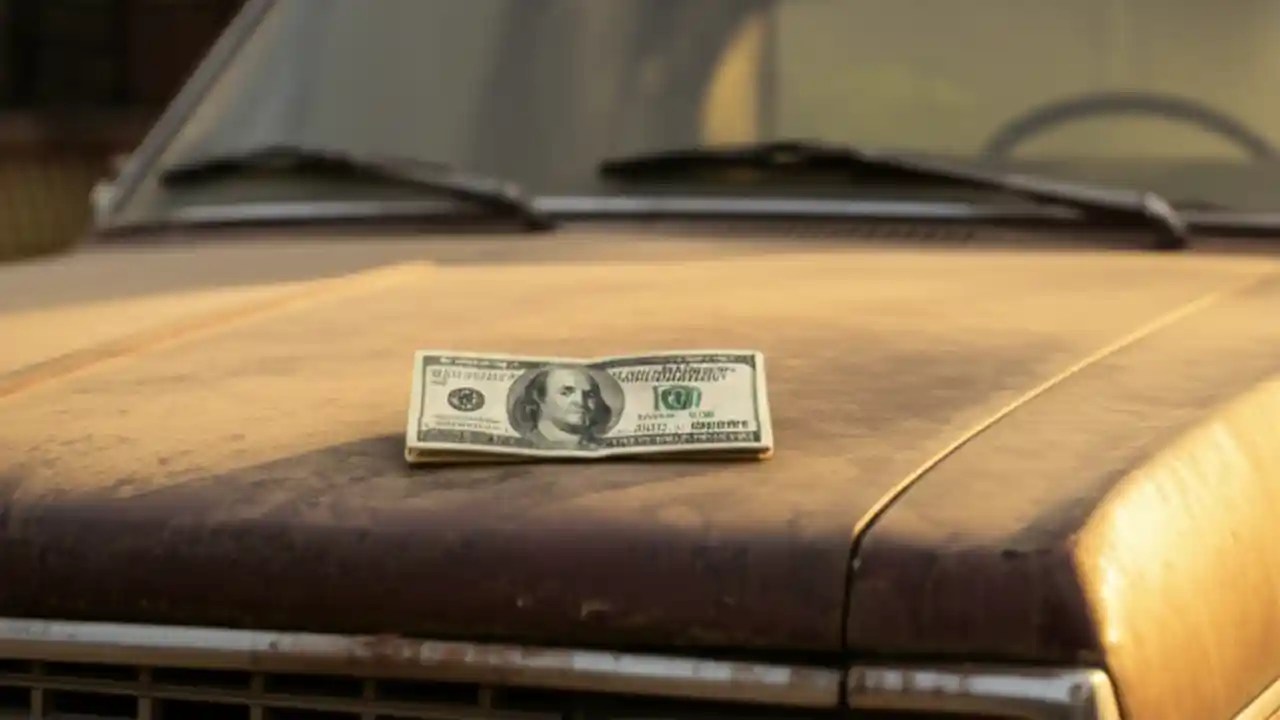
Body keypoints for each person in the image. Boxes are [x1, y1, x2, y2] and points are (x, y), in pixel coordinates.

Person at [512, 366, 612, 450]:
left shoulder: (600, 447)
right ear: (540, 398)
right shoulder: (526, 446)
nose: (580, 401)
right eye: (566, 393)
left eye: (590, 395)